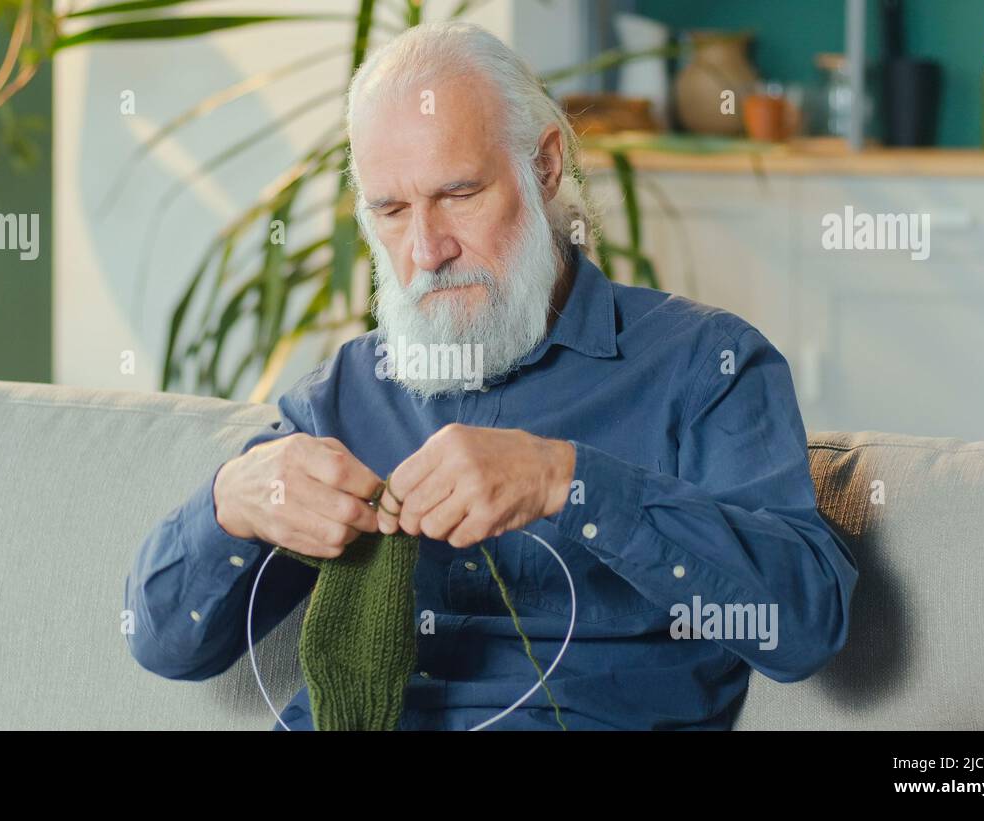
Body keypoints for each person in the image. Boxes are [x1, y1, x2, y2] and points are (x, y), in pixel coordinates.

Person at [125, 20, 858, 730]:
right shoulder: (345, 392)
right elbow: (164, 644)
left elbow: (804, 623)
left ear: (542, 167)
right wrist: (232, 501)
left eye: (458, 194)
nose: (426, 247)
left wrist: (566, 481)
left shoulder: (706, 365)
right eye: (391, 209)